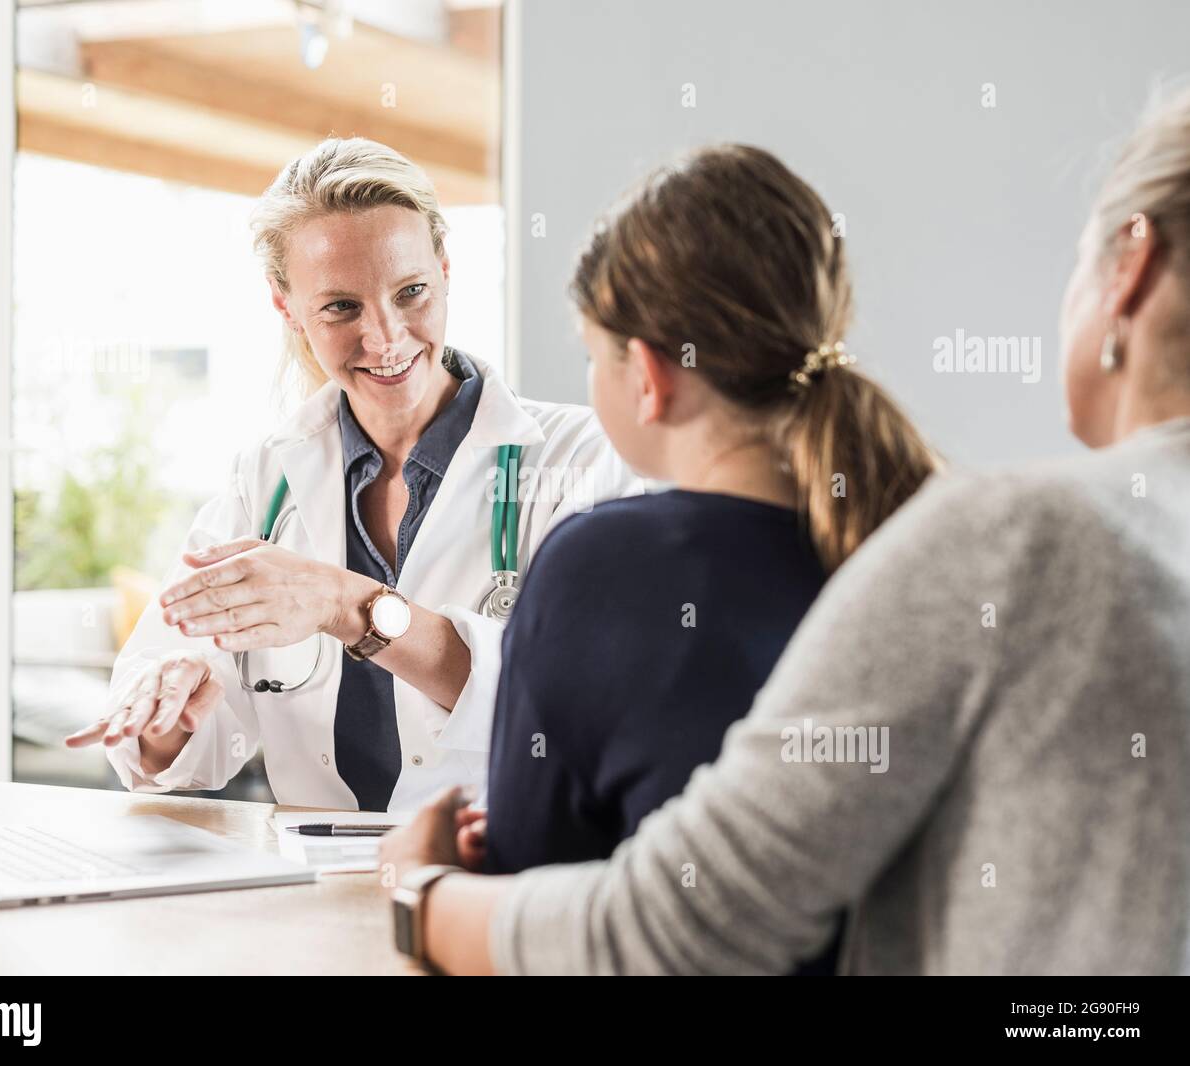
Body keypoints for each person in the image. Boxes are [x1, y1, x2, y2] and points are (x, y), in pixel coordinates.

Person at [381, 84, 1190, 975]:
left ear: (1132, 267)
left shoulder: (1012, 540)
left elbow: (683, 930)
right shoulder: (957, 525)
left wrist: (425, 893)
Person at [65, 137, 638, 811]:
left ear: (446, 268)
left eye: (412, 291)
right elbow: (175, 758)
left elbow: (578, 705)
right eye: (341, 307)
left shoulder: (579, 461)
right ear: (286, 306)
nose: (386, 337)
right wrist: (170, 713)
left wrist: (346, 605)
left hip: (496, 884)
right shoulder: (266, 478)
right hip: (314, 885)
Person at [478, 145, 936, 919]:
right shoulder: (928, 539)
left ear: (649, 378)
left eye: (594, 354)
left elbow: (523, 900)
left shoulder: (597, 567)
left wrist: (428, 879)